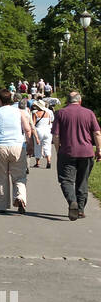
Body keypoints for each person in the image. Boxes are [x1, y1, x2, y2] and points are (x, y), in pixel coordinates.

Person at [0, 89, 37, 213]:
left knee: (1, 177)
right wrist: (30, 145)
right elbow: (27, 129)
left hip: (0, 147)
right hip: (18, 146)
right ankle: (20, 197)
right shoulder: (20, 112)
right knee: (19, 176)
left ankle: (2, 206)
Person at [52, 91, 101, 221]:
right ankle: (80, 209)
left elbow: (56, 135)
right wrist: (99, 150)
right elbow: (97, 133)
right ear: (80, 101)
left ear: (67, 101)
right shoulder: (89, 113)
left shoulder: (60, 113)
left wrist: (58, 150)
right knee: (82, 181)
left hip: (67, 152)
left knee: (66, 180)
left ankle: (72, 201)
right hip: (86, 152)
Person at [32, 100, 53, 168]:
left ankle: (37, 163)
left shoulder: (35, 113)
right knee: (47, 146)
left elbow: (33, 125)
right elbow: (49, 123)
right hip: (47, 131)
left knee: (38, 146)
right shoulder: (48, 113)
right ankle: (48, 161)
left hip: (39, 130)